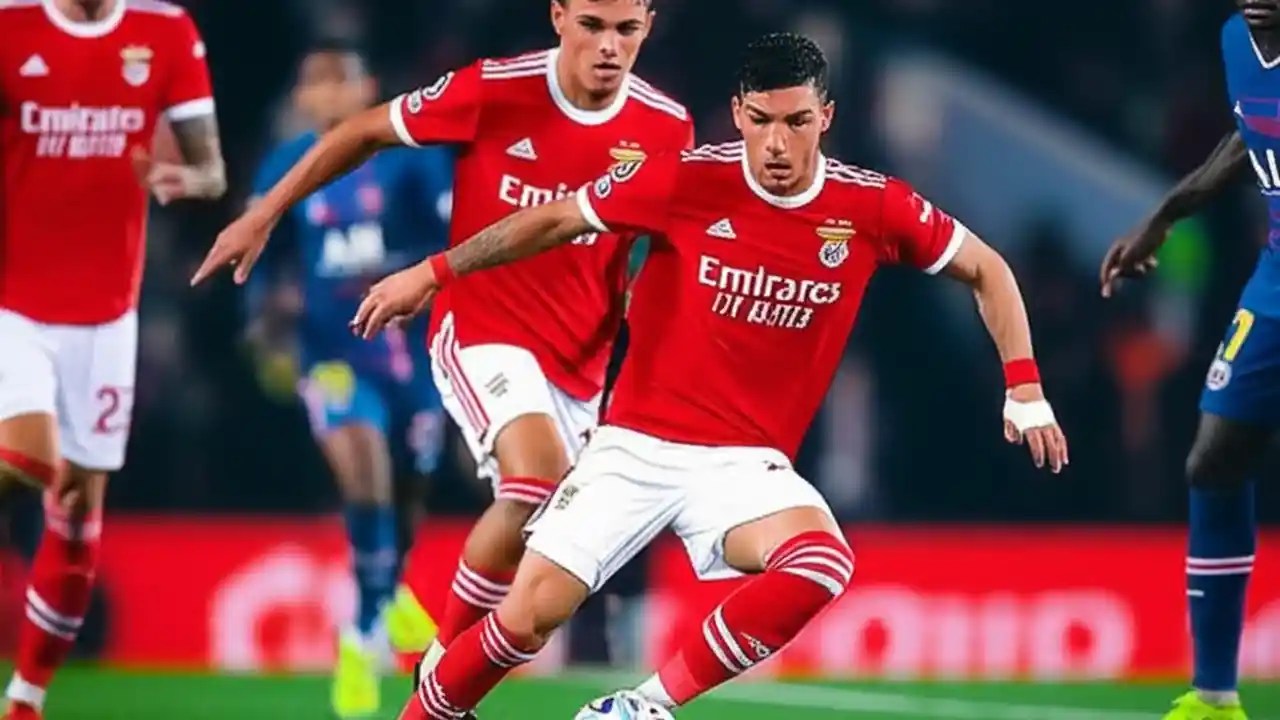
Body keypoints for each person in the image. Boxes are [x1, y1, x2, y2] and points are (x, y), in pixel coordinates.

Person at [350, 32, 1068, 720]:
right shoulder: (686, 179)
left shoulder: (871, 207)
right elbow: (556, 220)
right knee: (527, 621)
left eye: (796, 122)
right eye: (761, 121)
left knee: (820, 562)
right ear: (738, 114)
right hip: (634, 447)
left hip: (745, 465)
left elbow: (988, 269)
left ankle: (641, 706)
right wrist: (434, 272)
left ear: (827, 117)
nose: (778, 144)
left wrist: (1026, 386)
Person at [193, 0, 694, 679]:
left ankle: (437, 677)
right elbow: (363, 133)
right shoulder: (495, 87)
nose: (609, 46)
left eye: (626, 30)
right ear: (558, 17)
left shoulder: (666, 125)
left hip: (581, 358)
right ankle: (434, 667)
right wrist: (264, 215)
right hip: (483, 329)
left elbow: (663, 243)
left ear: (649, 26)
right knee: (534, 482)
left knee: (541, 532)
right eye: (592, 26)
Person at [0, 1, 225, 718]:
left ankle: (25, 700)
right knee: (30, 458)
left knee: (75, 514)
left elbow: (213, 170)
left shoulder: (166, 31)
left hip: (106, 317)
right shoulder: (10, 27)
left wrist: (185, 182)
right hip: (14, 304)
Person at [246, 39, 452, 719]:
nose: (327, 92)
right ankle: (364, 636)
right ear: (302, 97)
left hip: (413, 353)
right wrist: (264, 324)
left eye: (340, 79)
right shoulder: (286, 165)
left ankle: (382, 597)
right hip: (331, 354)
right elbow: (261, 253)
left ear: (367, 89)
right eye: (315, 81)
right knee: (363, 468)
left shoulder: (410, 161)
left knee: (409, 489)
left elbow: (455, 235)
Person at [1099, 2, 1278, 718]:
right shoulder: (1237, 42)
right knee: (1213, 459)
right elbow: (1250, 135)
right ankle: (1214, 697)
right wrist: (1166, 214)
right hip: (1274, 283)